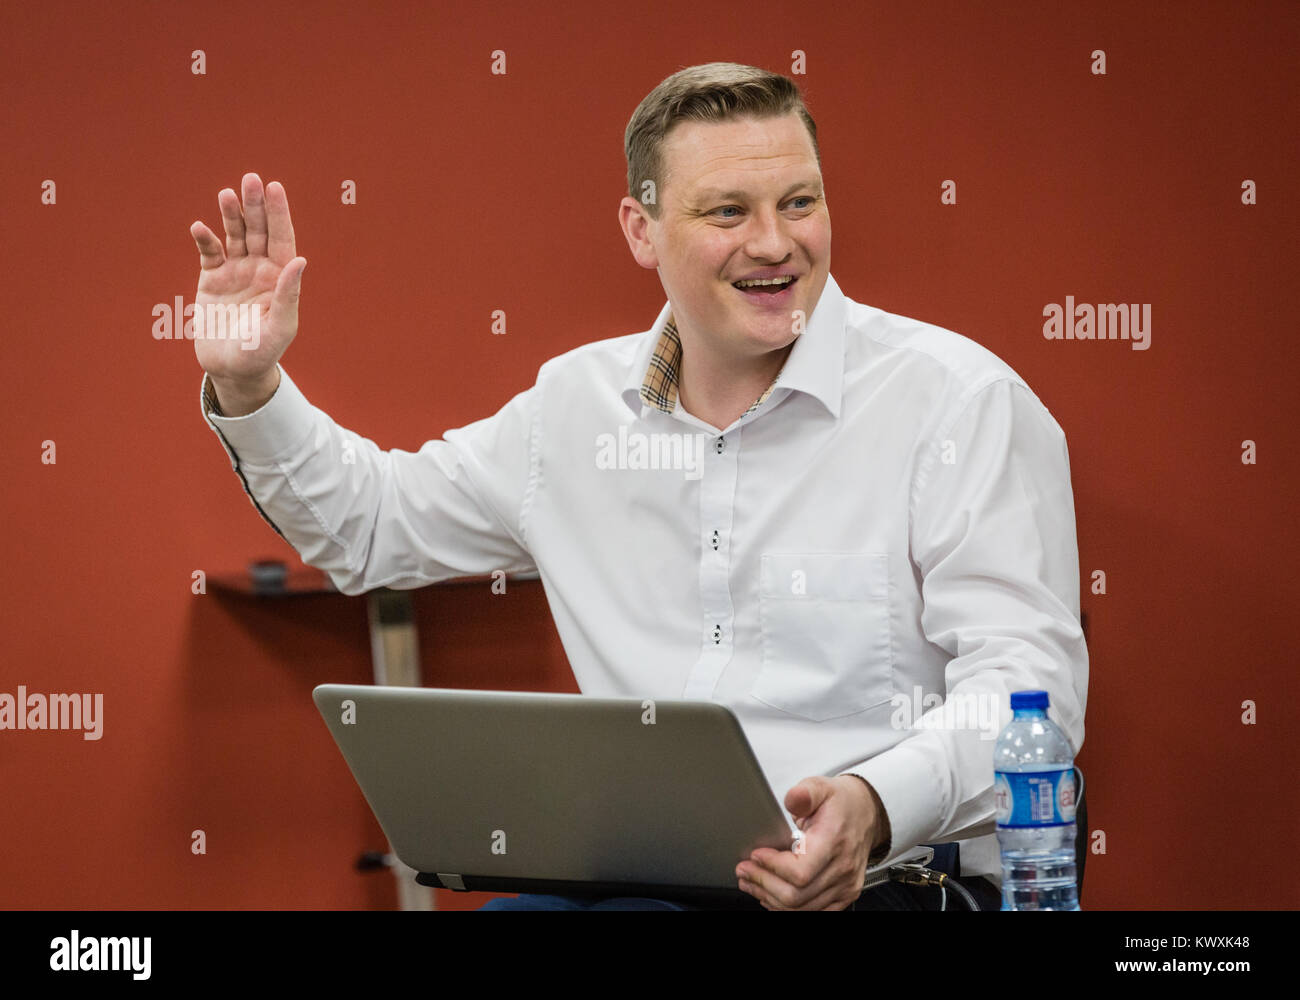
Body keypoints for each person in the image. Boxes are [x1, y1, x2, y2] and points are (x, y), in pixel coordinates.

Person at [189, 62, 1087, 911]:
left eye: (799, 202)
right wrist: (251, 385)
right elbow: (370, 525)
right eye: (727, 211)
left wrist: (875, 800)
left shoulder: (961, 404)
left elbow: (1026, 687)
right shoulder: (571, 411)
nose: (775, 244)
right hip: (636, 878)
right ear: (640, 230)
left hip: (897, 882)